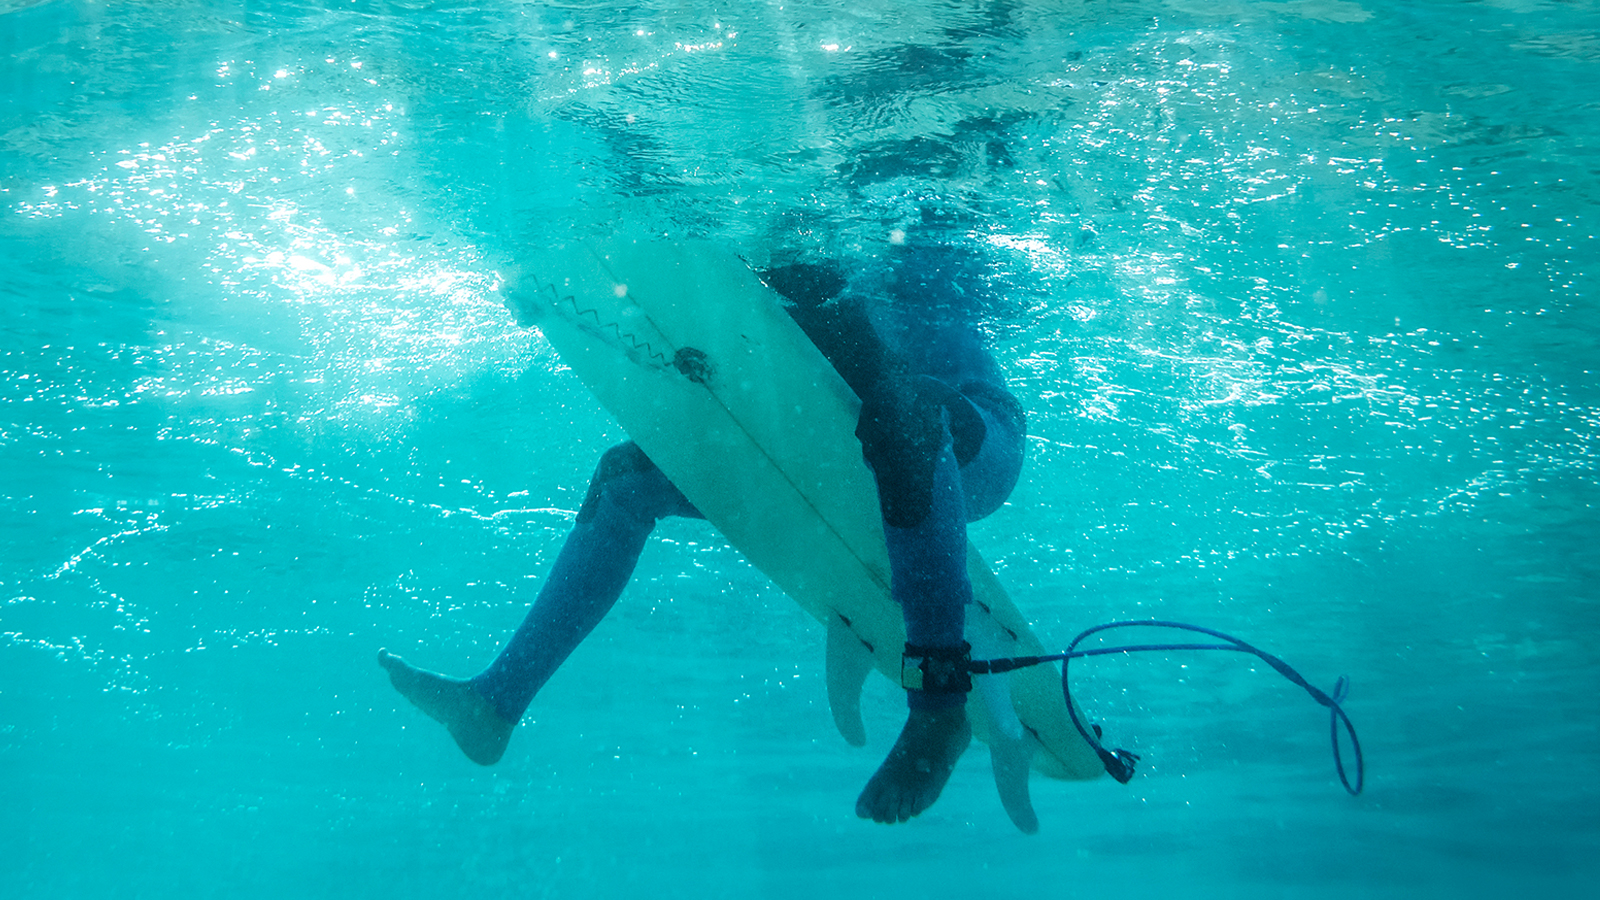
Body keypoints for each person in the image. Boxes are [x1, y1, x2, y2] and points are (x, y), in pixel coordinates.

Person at [379, 223, 1027, 825]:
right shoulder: (764, 229)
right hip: (826, 435)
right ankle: (495, 703)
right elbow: (694, 311)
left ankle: (939, 703)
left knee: (898, 404)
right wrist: (558, 299)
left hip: (971, 434)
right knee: (625, 479)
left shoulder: (888, 225)